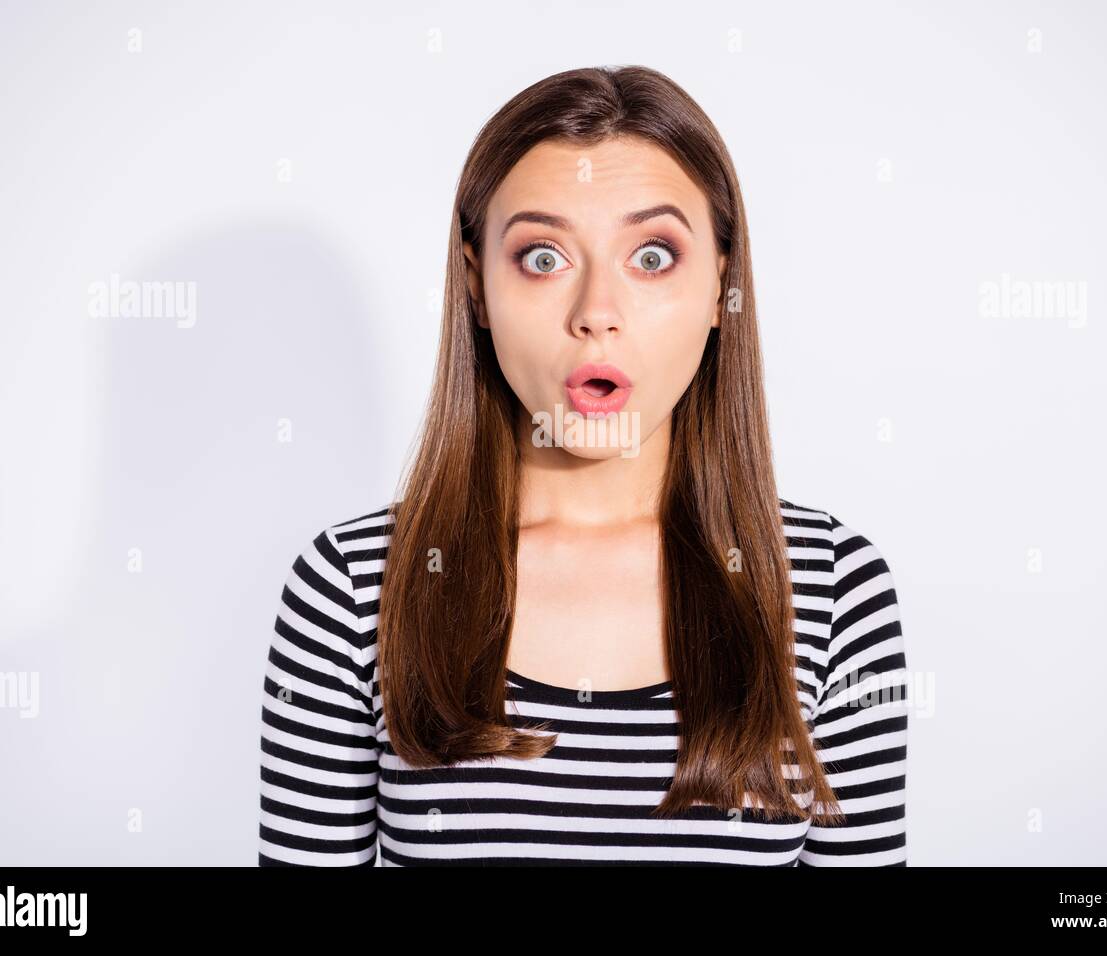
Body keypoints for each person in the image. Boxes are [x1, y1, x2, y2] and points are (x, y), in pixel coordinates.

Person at [258, 65, 908, 866]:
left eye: (652, 256)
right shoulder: (354, 587)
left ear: (721, 287)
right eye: (542, 257)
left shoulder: (835, 589)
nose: (596, 312)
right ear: (476, 289)